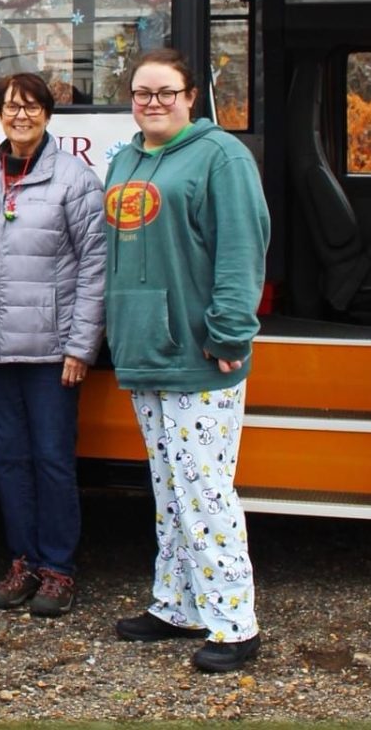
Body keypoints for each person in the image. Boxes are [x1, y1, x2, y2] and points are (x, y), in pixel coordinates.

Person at [104, 48, 269, 674]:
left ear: (191, 96)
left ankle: (235, 623)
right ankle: (177, 605)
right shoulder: (124, 159)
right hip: (145, 350)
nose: (153, 103)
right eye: (142, 92)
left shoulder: (222, 157)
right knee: (169, 488)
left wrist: (229, 333)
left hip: (200, 355)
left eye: (165, 92)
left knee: (205, 490)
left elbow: (241, 250)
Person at [0, 71, 106, 618]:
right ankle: (23, 562)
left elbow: (95, 265)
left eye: (32, 106)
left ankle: (58, 569)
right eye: (11, 107)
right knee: (9, 461)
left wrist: (80, 346)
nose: (21, 115)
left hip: (51, 354)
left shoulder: (75, 179)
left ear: (47, 114)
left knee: (53, 460)